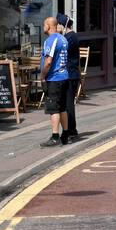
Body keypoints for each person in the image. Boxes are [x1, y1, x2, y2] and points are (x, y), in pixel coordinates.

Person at [38, 15, 70, 147]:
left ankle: (55, 136)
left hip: (54, 79)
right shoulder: (63, 39)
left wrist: (42, 76)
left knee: (53, 109)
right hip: (64, 77)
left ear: (49, 26)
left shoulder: (50, 40)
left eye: (44, 24)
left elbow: (48, 62)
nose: (43, 27)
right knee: (62, 107)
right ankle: (65, 134)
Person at [58, 14, 81, 142]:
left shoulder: (70, 37)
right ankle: (68, 131)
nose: (57, 27)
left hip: (71, 75)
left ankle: (72, 131)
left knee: (68, 104)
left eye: (58, 25)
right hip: (68, 74)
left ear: (64, 25)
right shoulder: (67, 36)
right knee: (65, 104)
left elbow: (62, 50)